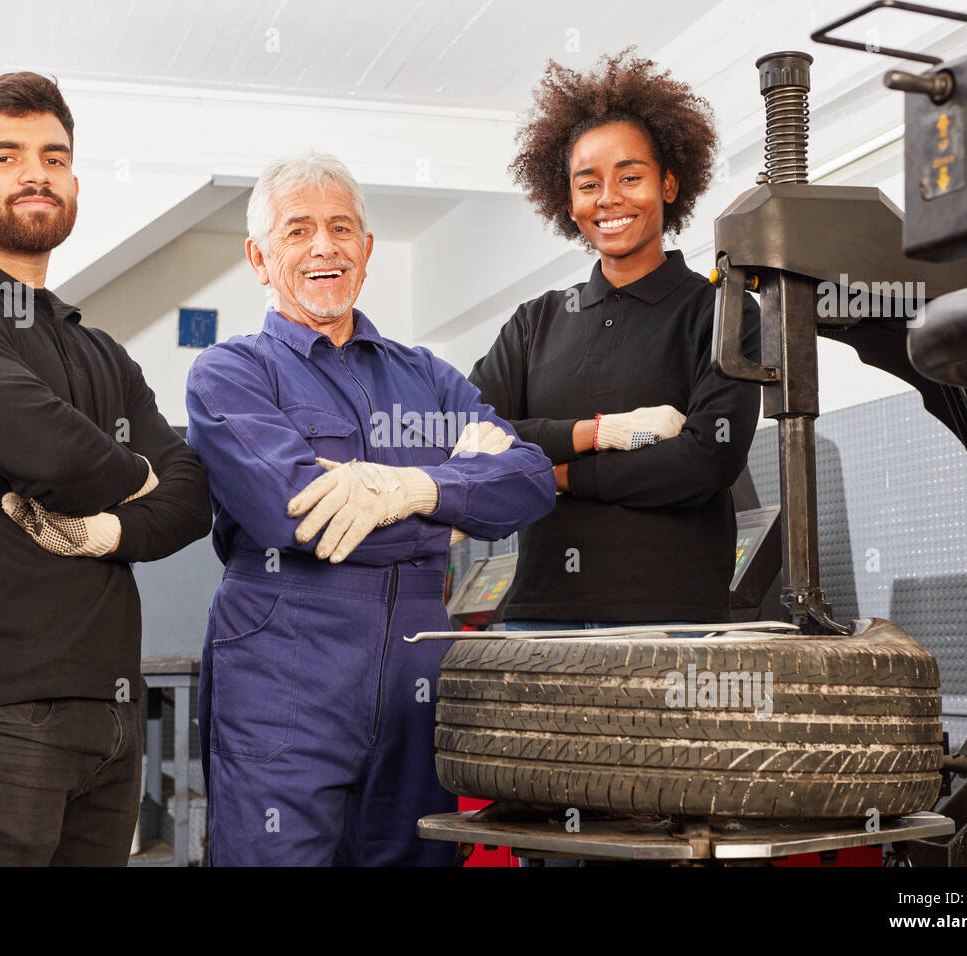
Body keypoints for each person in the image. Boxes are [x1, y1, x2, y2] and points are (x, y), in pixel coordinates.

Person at [0, 72, 213, 865]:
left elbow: (192, 497)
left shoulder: (96, 348)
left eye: (54, 157)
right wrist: (141, 478)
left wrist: (101, 530)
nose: (36, 172)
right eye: (6, 155)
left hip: (110, 714)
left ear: (74, 183)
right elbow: (57, 453)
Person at [185, 151, 556, 866]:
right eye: (297, 231)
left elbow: (531, 482)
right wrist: (450, 510)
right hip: (282, 691)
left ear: (367, 250)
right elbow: (293, 514)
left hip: (417, 694)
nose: (324, 245)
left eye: (341, 228)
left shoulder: (429, 376)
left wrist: (409, 490)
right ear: (260, 259)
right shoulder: (231, 373)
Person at [469, 50, 762, 635]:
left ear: (669, 183)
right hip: (538, 617)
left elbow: (708, 457)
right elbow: (470, 435)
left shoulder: (719, 311)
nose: (608, 198)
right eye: (588, 183)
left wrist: (557, 475)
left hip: (668, 623)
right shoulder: (536, 322)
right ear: (568, 200)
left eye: (630, 177)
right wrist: (593, 434)